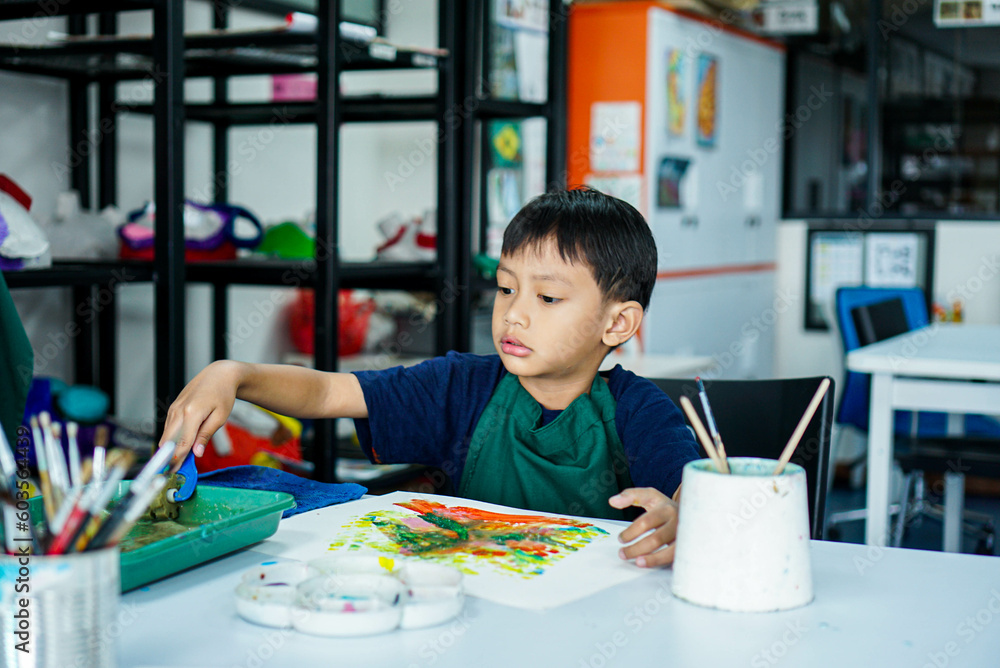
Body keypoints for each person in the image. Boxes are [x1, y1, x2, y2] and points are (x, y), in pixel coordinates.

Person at [161, 187, 699, 567]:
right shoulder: (461, 388)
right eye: (507, 288)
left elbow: (690, 497)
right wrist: (234, 374)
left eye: (548, 297)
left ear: (617, 322)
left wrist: (682, 517)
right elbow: (328, 390)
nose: (514, 314)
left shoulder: (638, 410)